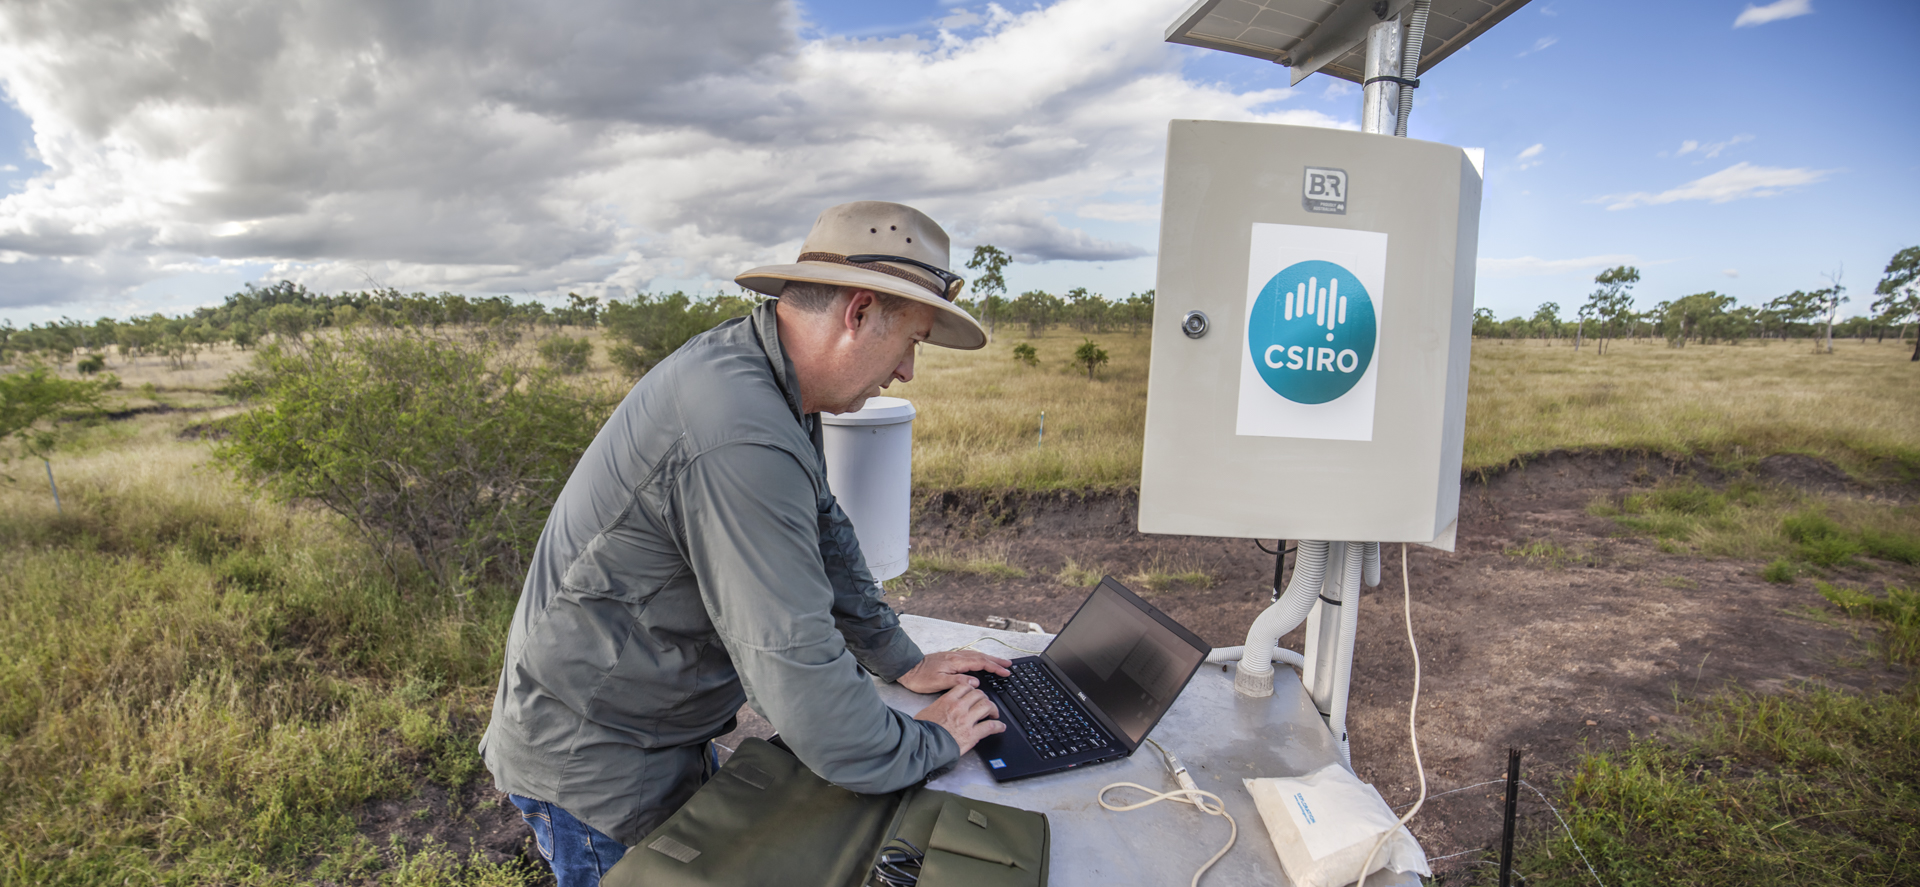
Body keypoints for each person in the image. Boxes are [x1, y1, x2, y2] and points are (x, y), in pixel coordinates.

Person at [479, 201, 1011, 886]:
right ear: (857, 313)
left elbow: (826, 538)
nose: (907, 369)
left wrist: (900, 659)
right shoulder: (739, 429)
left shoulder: (768, 380)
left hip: (652, 728)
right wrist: (930, 741)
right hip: (596, 762)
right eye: (910, 340)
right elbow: (793, 664)